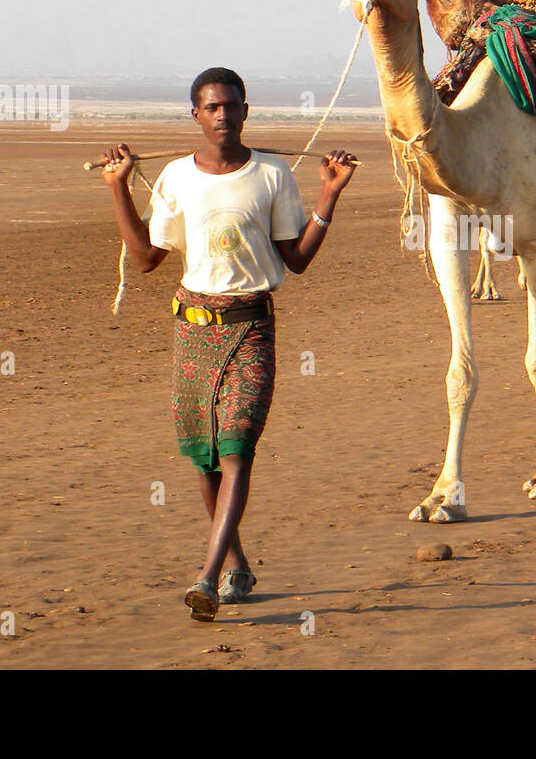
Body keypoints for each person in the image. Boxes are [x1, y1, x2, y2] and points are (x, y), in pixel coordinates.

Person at [100, 66, 357, 622]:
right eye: (211, 107)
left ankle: (208, 578)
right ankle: (237, 561)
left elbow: (299, 260)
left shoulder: (271, 175)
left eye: (231, 105)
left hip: (251, 327)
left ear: (246, 111)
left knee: (237, 449)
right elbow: (146, 260)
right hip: (192, 329)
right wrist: (118, 188)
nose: (222, 115)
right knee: (204, 458)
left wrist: (328, 195)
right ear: (195, 114)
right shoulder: (175, 177)